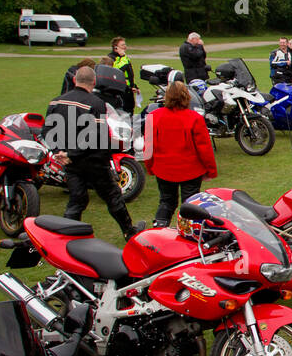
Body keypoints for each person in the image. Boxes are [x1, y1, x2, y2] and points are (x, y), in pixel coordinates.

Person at [42, 67, 141, 239]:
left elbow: (46, 131)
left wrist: (59, 152)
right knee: (112, 196)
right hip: (92, 160)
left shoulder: (55, 102)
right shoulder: (96, 103)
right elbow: (95, 135)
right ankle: (129, 231)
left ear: (74, 80)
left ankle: (68, 238)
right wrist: (73, 154)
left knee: (77, 199)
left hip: (69, 161)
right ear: (94, 82)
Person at [143, 81, 218, 228]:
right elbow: (205, 149)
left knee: (166, 201)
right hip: (190, 170)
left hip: (165, 169)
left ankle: (160, 228)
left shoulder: (154, 116)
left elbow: (147, 147)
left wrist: (150, 166)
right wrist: (210, 170)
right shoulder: (194, 118)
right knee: (189, 205)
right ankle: (187, 233)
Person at [109, 37, 139, 113]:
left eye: (125, 44)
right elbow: (119, 70)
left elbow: (129, 74)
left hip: (128, 90)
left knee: (130, 109)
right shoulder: (112, 58)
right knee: (123, 111)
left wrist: (133, 86)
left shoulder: (124, 57)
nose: (125, 47)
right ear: (115, 48)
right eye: (122, 45)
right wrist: (123, 57)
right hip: (121, 90)